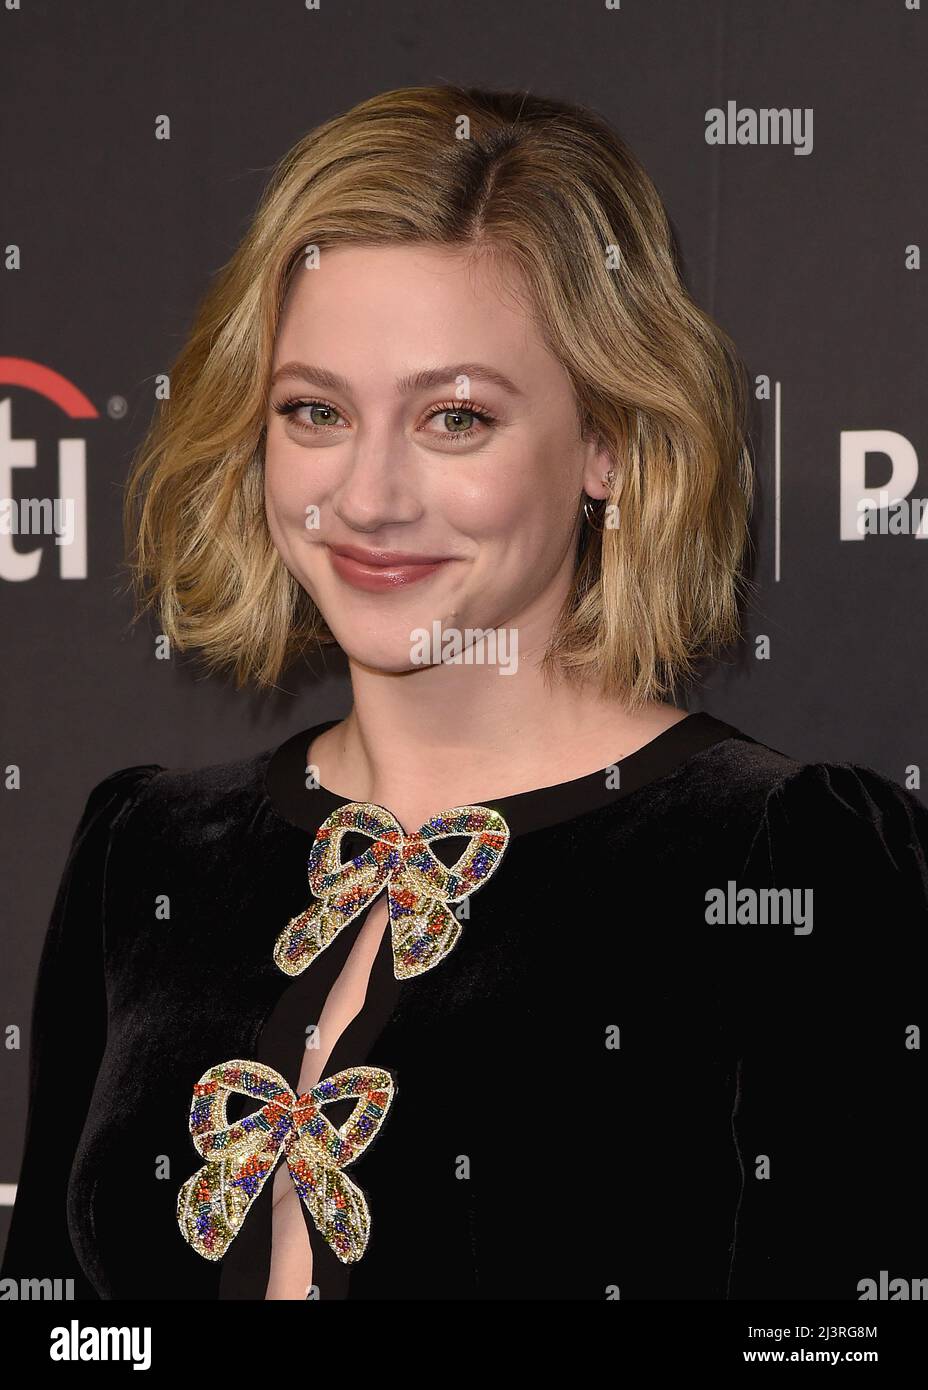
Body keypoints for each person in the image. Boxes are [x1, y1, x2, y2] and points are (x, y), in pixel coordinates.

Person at [3, 83, 925, 1302]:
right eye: (316, 410)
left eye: (454, 417)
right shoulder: (150, 850)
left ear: (607, 443)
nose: (371, 495)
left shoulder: (778, 855)